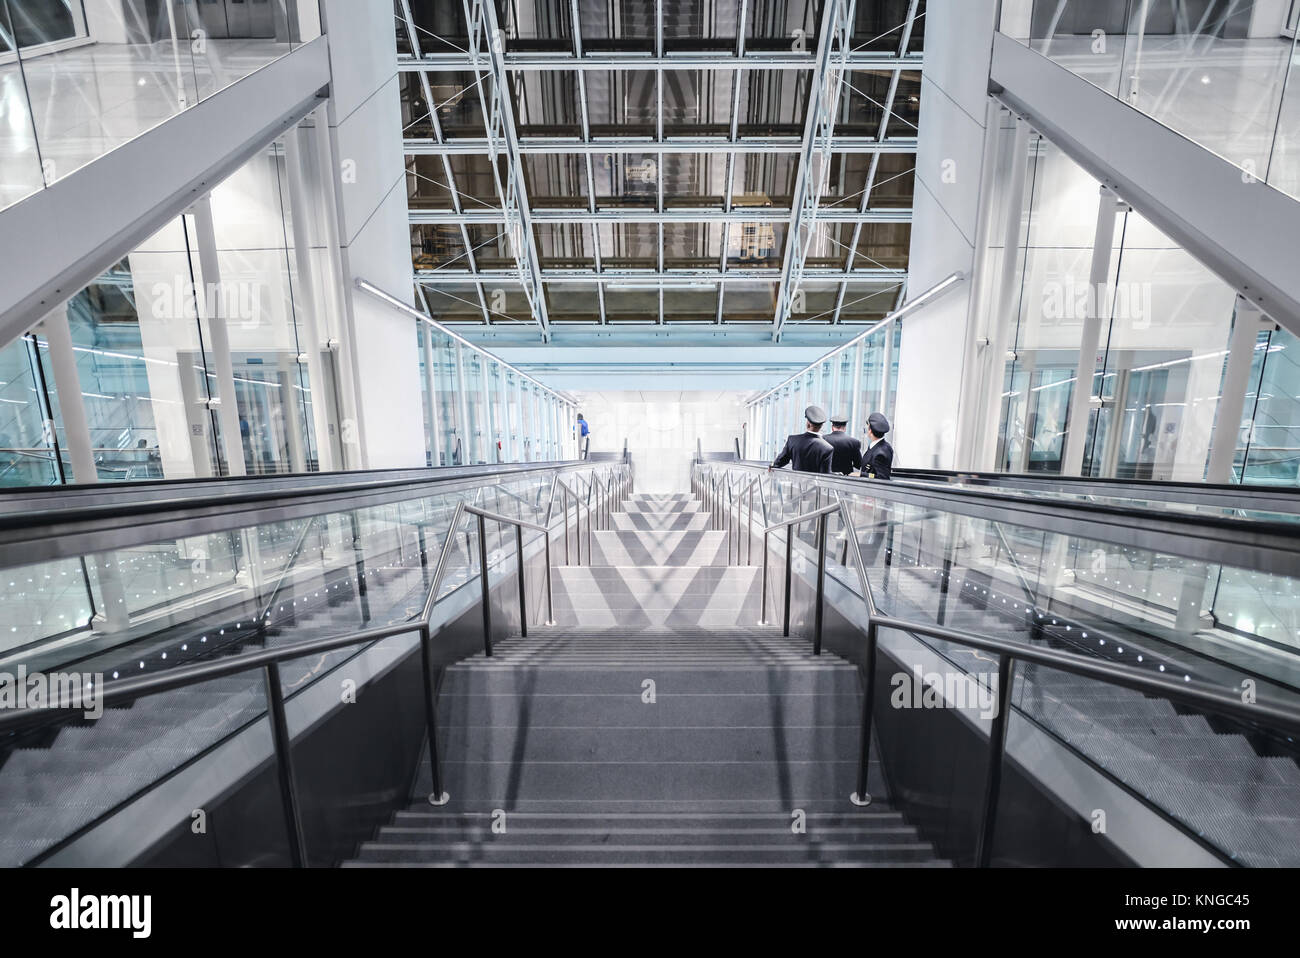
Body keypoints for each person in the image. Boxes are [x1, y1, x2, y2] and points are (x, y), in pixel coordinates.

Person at [770, 405, 833, 474]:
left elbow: (780, 461)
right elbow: (825, 474)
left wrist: (772, 465)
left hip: (796, 483)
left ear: (808, 424)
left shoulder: (792, 440)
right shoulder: (827, 448)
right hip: (815, 485)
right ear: (821, 426)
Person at [860, 412, 894, 480]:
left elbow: (882, 477)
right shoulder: (883, 446)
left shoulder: (880, 453)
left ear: (870, 430)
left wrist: (861, 474)